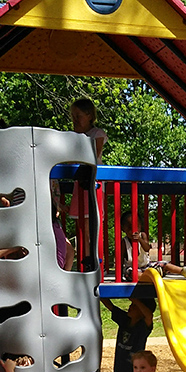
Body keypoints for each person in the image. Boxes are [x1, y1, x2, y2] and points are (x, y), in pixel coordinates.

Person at [68, 98, 107, 270]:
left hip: (93, 183)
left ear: (89, 115)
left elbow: (92, 156)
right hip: (80, 183)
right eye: (73, 117)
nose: (75, 120)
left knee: (93, 221)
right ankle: (85, 257)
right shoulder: (75, 137)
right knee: (81, 222)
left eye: (78, 116)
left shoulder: (97, 134)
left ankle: (96, 258)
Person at [119, 211, 186, 280]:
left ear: (140, 227)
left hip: (146, 265)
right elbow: (121, 259)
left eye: (136, 227)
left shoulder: (142, 235)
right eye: (129, 228)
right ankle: (153, 277)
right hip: (133, 268)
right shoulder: (124, 242)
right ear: (123, 229)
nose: (133, 231)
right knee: (133, 274)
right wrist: (119, 275)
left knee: (164, 264)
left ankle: (184, 271)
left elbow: (147, 249)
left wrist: (139, 239)